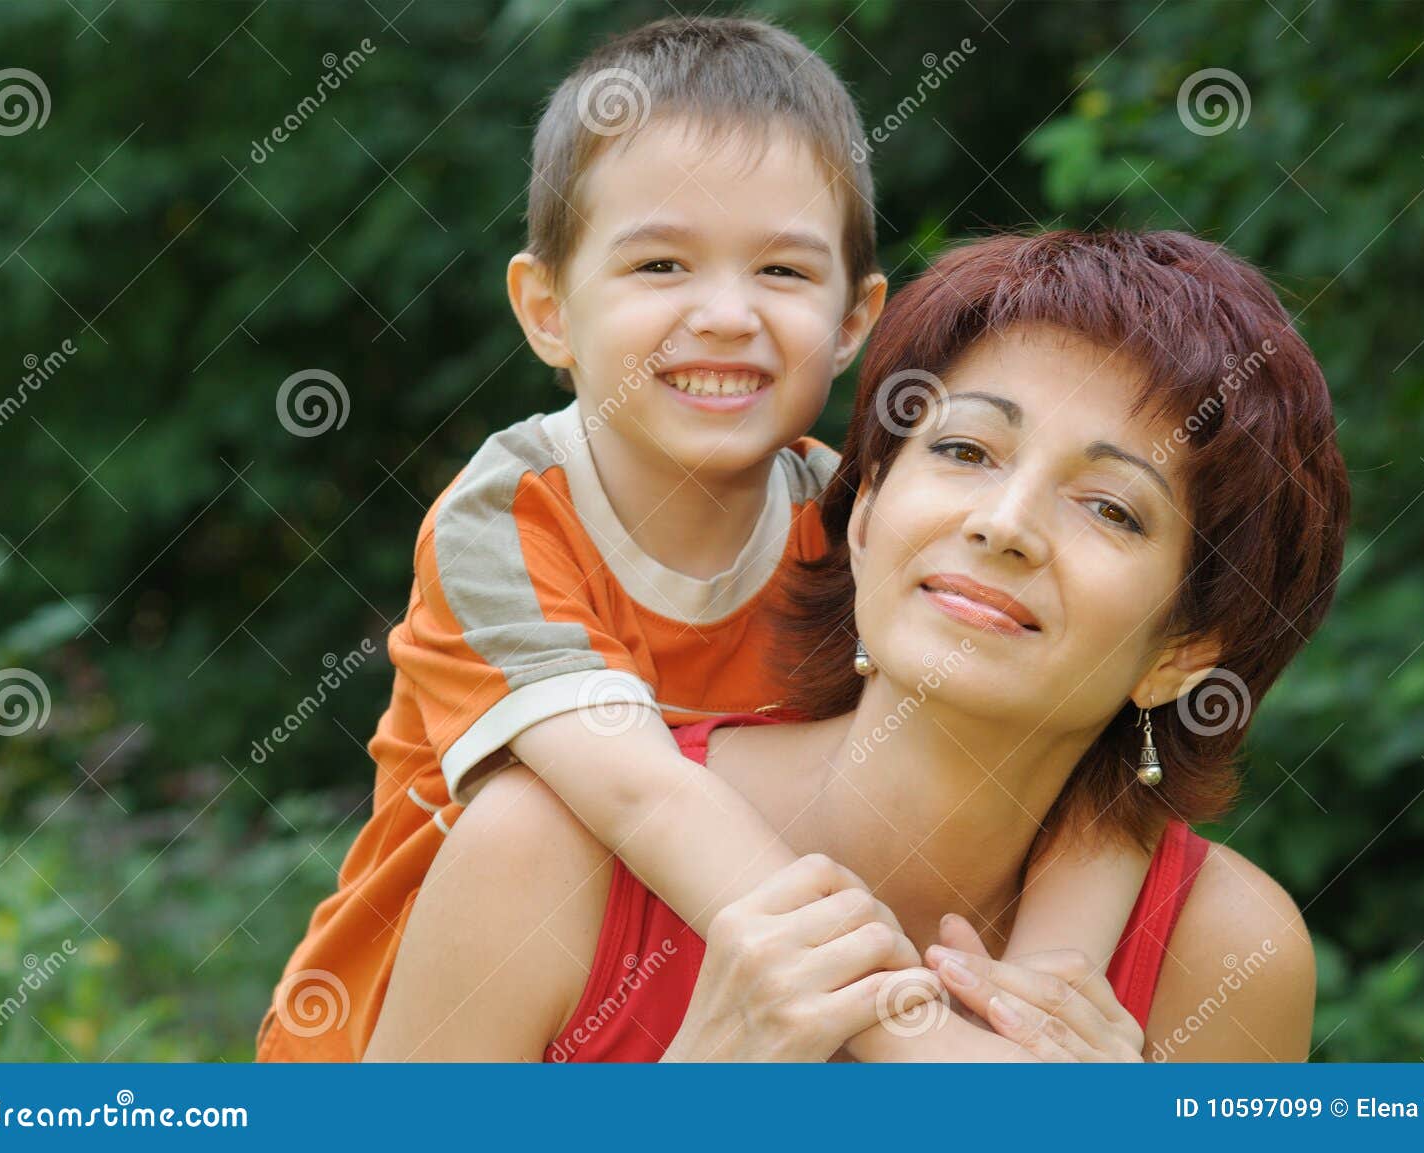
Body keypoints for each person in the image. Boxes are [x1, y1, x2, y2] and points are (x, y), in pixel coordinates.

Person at [259, 17, 1145, 1063]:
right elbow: (643, 795)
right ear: (547, 309)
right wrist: (943, 1054)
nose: (725, 313)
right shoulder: (508, 519)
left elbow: (1085, 754)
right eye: (662, 263)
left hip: (698, 1017)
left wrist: (1035, 996)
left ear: (855, 318)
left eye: (781, 272)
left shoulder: (854, 520)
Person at [364, 229, 1350, 1062]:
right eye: (964, 451)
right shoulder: (545, 852)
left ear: (1183, 648)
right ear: (868, 514)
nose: (1003, 523)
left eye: (1108, 507)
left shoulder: (1222, 954)